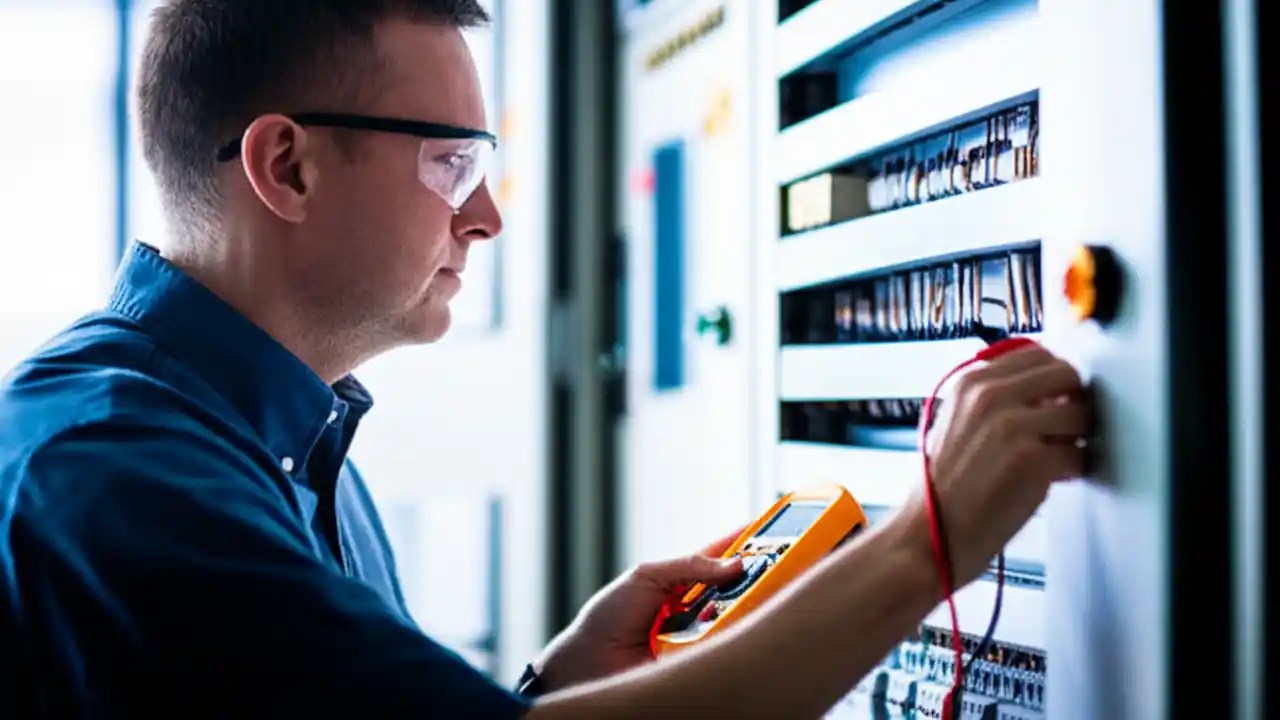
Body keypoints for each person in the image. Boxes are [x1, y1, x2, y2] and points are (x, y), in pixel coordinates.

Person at [0, 1, 1088, 717]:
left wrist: (547, 686)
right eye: (449, 160)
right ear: (285, 165)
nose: (485, 215)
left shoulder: (276, 433)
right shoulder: (113, 470)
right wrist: (924, 546)